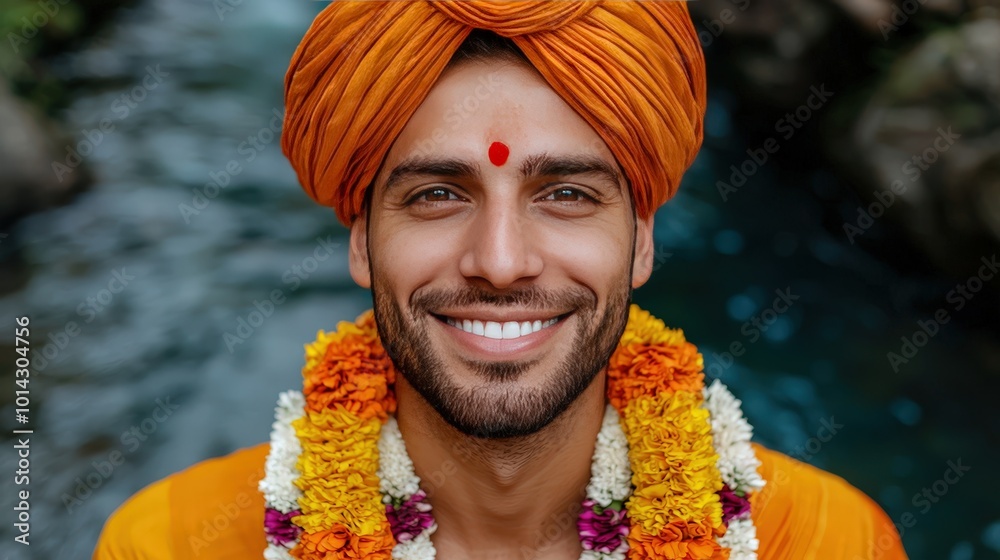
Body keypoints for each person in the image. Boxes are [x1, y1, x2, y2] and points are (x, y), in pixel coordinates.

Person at [94, 2, 908, 559]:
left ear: (642, 242)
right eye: (437, 195)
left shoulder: (824, 539)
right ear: (360, 241)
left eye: (566, 195)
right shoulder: (171, 541)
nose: (501, 260)